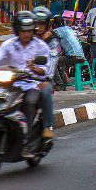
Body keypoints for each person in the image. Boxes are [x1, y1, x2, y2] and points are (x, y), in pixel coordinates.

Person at [0, 10, 50, 157]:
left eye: (29, 30)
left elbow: (45, 70)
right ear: (17, 30)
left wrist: (34, 68)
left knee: (29, 102)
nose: (27, 34)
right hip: (8, 85)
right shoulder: (8, 44)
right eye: (23, 31)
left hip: (30, 84)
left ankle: (27, 142)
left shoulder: (41, 46)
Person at [31, 7, 58, 140]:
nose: (38, 27)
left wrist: (46, 78)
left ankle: (48, 126)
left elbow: (53, 61)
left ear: (47, 25)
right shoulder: (27, 37)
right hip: (26, 77)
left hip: (44, 77)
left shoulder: (52, 40)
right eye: (36, 24)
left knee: (45, 91)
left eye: (41, 24)